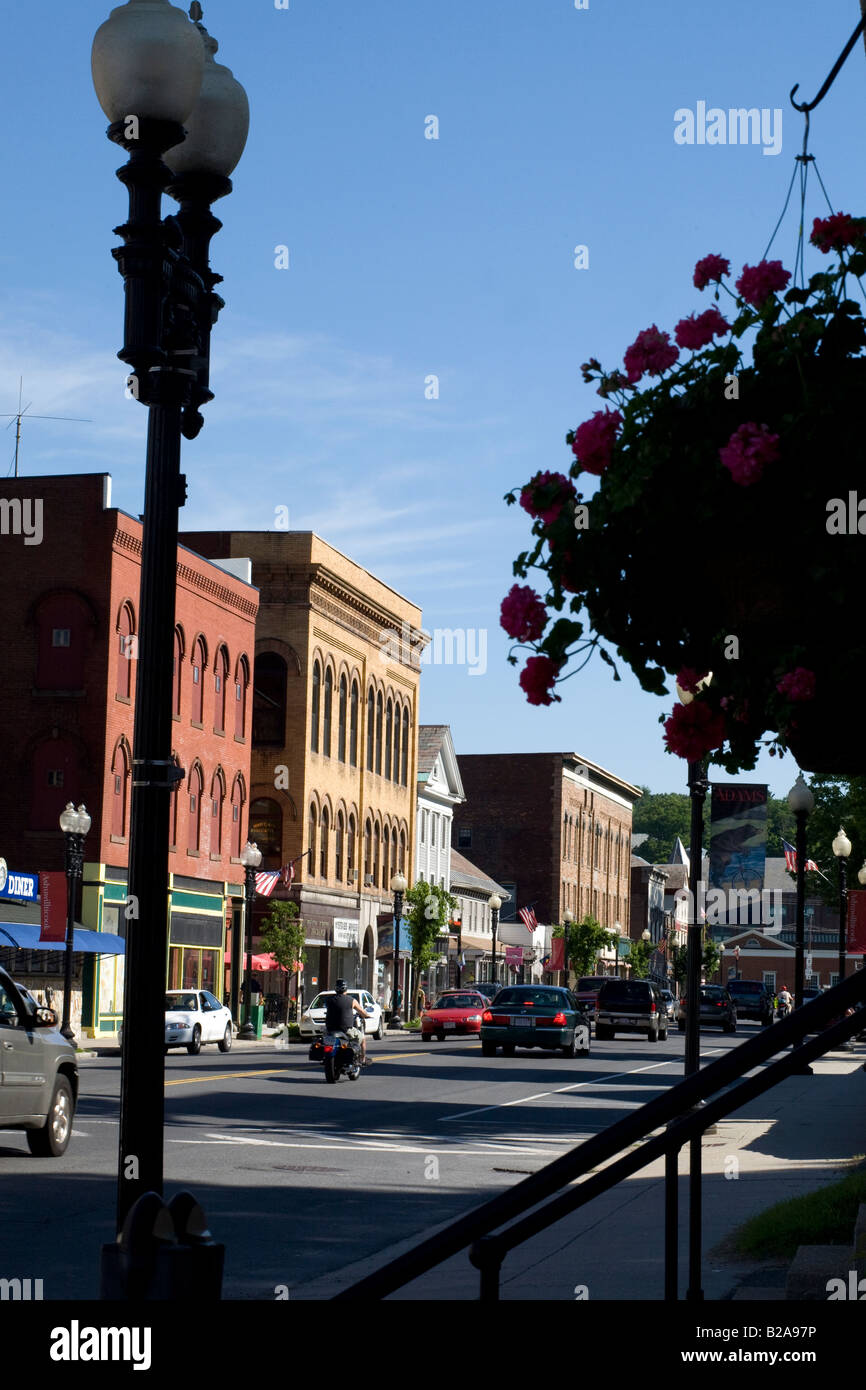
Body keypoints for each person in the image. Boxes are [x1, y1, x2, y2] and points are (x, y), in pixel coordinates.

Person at [324, 979, 371, 1066]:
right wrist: (367, 1015)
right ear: (346, 989)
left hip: (330, 1030)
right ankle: (363, 1059)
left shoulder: (329, 1000)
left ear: (336, 989)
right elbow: (362, 1012)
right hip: (346, 1030)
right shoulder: (351, 1000)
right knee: (363, 1039)